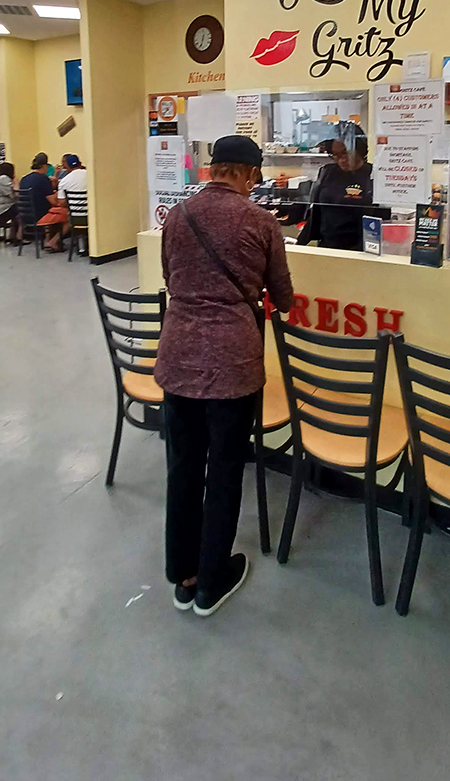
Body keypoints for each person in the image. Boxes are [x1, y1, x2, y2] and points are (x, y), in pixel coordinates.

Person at [155, 135, 294, 618]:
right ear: (251, 174)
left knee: (184, 465)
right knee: (226, 468)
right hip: (233, 362)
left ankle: (183, 574)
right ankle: (213, 580)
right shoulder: (261, 222)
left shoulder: (177, 216)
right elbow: (284, 295)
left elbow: (172, 280)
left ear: (214, 169)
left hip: (177, 356)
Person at [297, 138, 373, 248]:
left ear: (359, 150)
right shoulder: (328, 172)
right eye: (335, 155)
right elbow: (317, 212)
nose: (341, 160)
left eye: (345, 153)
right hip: (327, 245)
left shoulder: (372, 174)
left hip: (359, 247)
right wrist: (299, 244)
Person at [38, 154, 87, 253]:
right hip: (91, 215)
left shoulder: (65, 181)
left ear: (67, 167)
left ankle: (52, 241)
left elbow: (61, 202)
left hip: (75, 217)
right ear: (80, 164)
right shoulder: (90, 175)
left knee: (62, 215)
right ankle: (54, 242)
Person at [19, 153, 53, 222]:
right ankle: (57, 233)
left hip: (24, 215)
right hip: (40, 215)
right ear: (44, 166)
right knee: (63, 214)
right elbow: (53, 201)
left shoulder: (24, 179)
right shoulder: (43, 178)